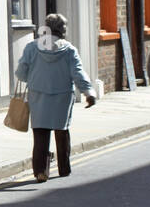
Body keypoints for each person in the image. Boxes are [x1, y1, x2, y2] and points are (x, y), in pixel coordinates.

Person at [15, 14, 96, 182]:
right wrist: (89, 93)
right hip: (62, 96)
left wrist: (32, 76)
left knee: (40, 133)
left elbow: (21, 73)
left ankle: (40, 171)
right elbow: (78, 73)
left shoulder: (32, 47)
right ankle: (64, 169)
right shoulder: (68, 49)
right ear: (62, 30)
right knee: (62, 131)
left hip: (38, 95)